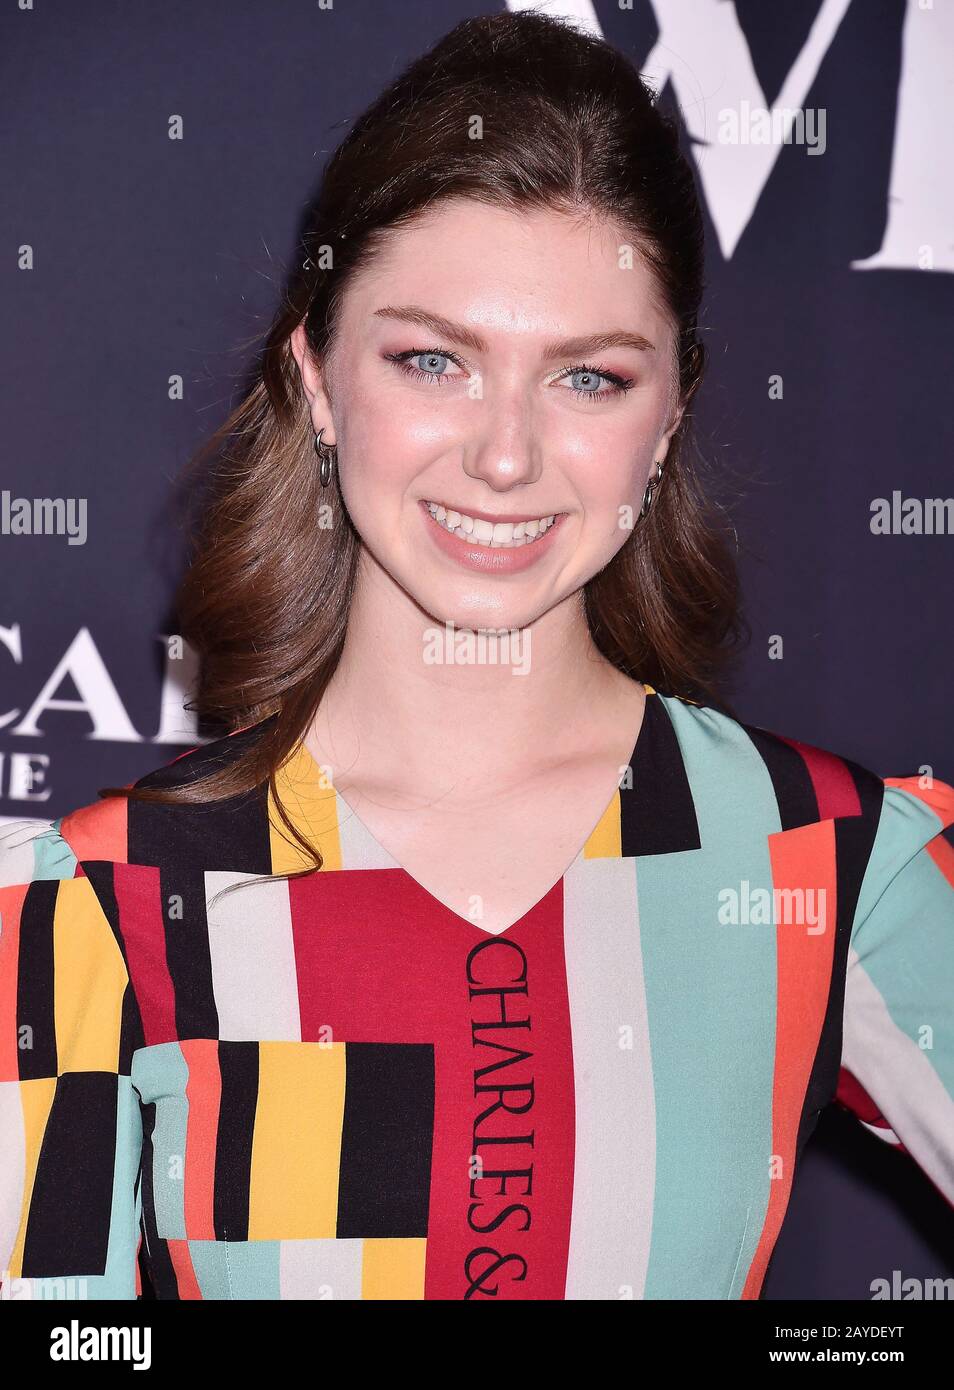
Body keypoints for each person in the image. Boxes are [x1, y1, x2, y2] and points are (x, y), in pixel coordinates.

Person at [1, 10, 951, 1303]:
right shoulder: (95, 902)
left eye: (588, 379)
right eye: (432, 360)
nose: (503, 455)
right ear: (320, 382)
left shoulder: (830, 859)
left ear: (669, 413)